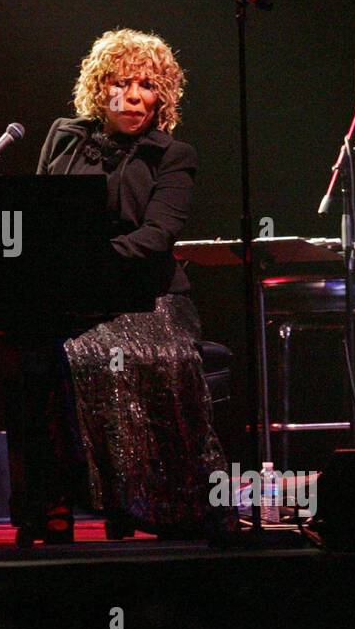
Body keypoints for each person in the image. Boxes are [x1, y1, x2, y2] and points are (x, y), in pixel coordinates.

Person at [17, 28, 231, 543]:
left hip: (149, 296)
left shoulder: (173, 154)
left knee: (121, 355)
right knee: (41, 355)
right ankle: (48, 505)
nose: (134, 96)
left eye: (147, 86)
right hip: (74, 295)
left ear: (163, 97)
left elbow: (157, 236)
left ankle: (148, 502)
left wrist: (85, 266)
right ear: (99, 88)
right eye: (122, 84)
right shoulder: (65, 137)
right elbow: (40, 215)